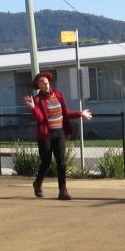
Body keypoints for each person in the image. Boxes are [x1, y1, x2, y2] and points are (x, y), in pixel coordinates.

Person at [23, 69, 92, 199]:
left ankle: (63, 190)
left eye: (46, 80)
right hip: (45, 135)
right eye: (41, 81)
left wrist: (80, 114)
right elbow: (41, 119)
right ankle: (37, 183)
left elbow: (65, 113)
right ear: (38, 86)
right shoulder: (37, 100)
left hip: (59, 132)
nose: (45, 82)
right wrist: (33, 108)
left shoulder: (58, 95)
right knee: (46, 162)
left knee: (61, 161)